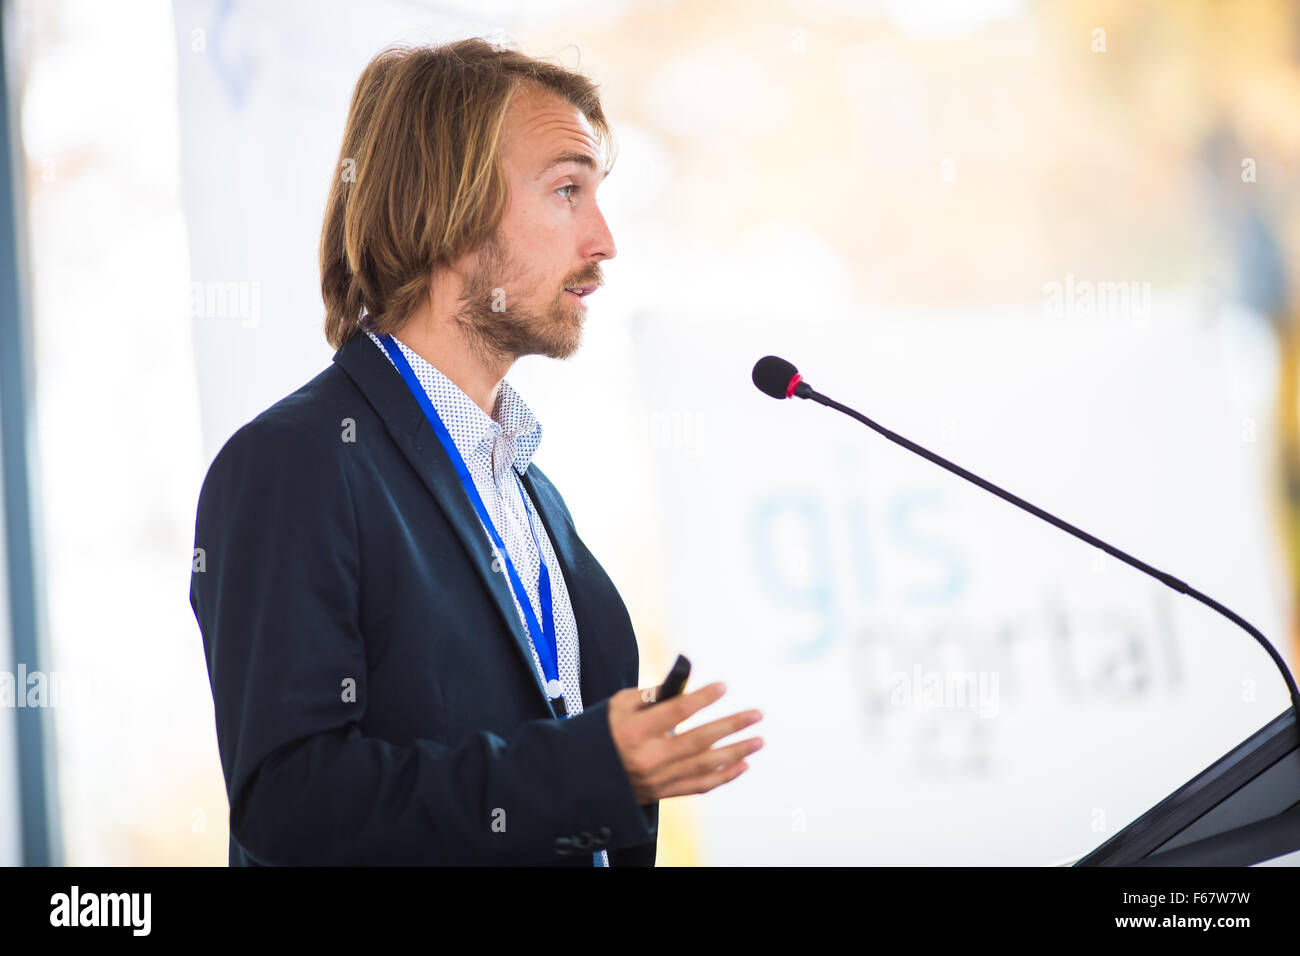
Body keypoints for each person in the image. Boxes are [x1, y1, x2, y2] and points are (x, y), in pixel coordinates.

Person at [188, 37, 763, 866]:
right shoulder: (295, 464)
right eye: (567, 190)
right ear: (445, 208)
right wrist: (587, 767)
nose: (604, 242)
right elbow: (290, 804)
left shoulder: (532, 492)